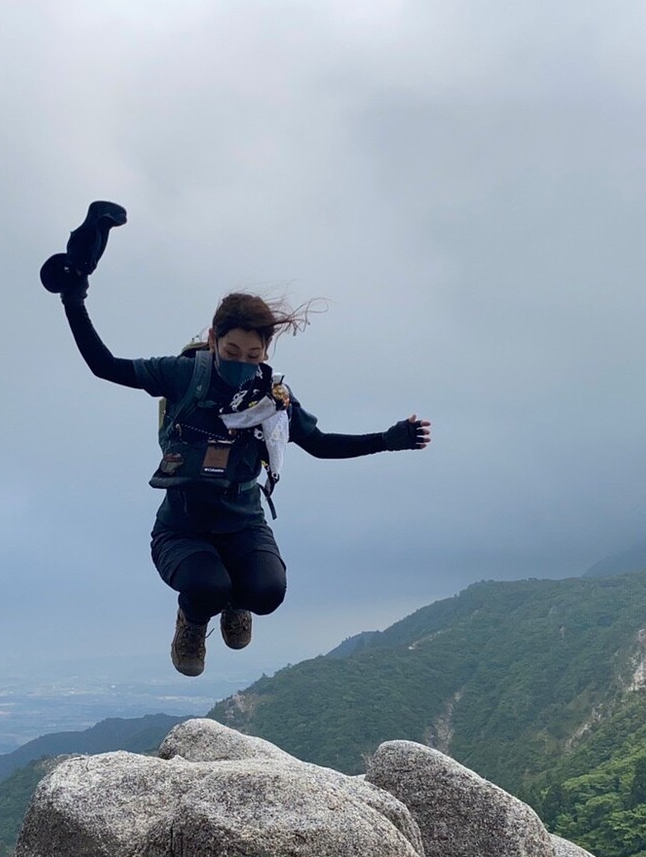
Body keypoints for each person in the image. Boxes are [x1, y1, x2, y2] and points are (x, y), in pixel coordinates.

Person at [56, 274, 431, 676]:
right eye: (232, 351)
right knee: (207, 589)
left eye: (253, 356)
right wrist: (73, 301)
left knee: (267, 593)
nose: (242, 363)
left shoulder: (272, 397)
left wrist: (387, 439)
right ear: (214, 338)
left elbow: (319, 444)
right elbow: (105, 366)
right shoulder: (184, 376)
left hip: (243, 522)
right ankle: (193, 621)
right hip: (183, 527)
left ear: (265, 352)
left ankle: (238, 600)